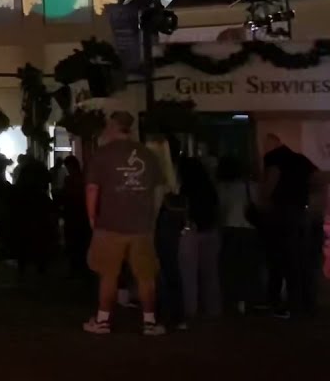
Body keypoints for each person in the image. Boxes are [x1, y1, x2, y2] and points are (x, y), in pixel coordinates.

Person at [83, 110, 168, 335]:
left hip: (110, 224)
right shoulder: (148, 155)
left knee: (108, 274)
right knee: (146, 275)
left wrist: (92, 217)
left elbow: (92, 189)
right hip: (141, 226)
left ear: (112, 126)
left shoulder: (102, 154)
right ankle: (149, 322)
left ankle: (103, 321)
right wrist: (152, 216)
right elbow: (159, 190)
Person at [259, 133, 318, 318]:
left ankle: (286, 304)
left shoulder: (273, 158)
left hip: (282, 213)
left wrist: (264, 200)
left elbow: (272, 180)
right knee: (301, 260)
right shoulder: (300, 159)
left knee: (283, 259)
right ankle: (305, 303)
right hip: (300, 212)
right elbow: (318, 178)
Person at [178, 157, 222, 326]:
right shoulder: (209, 187)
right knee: (210, 273)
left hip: (191, 231)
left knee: (188, 273)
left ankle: (190, 308)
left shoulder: (185, 188)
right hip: (210, 231)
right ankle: (213, 308)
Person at [216, 155, 261, 314]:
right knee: (248, 267)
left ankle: (233, 298)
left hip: (230, 230)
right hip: (250, 230)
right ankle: (248, 299)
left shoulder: (222, 187)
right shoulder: (251, 186)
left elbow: (221, 210)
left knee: (231, 267)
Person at [59, 155, 91, 278]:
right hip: (79, 214)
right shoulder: (82, 178)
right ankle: (81, 268)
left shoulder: (71, 180)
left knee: (75, 242)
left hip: (74, 214)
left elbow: (66, 195)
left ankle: (77, 268)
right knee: (80, 242)